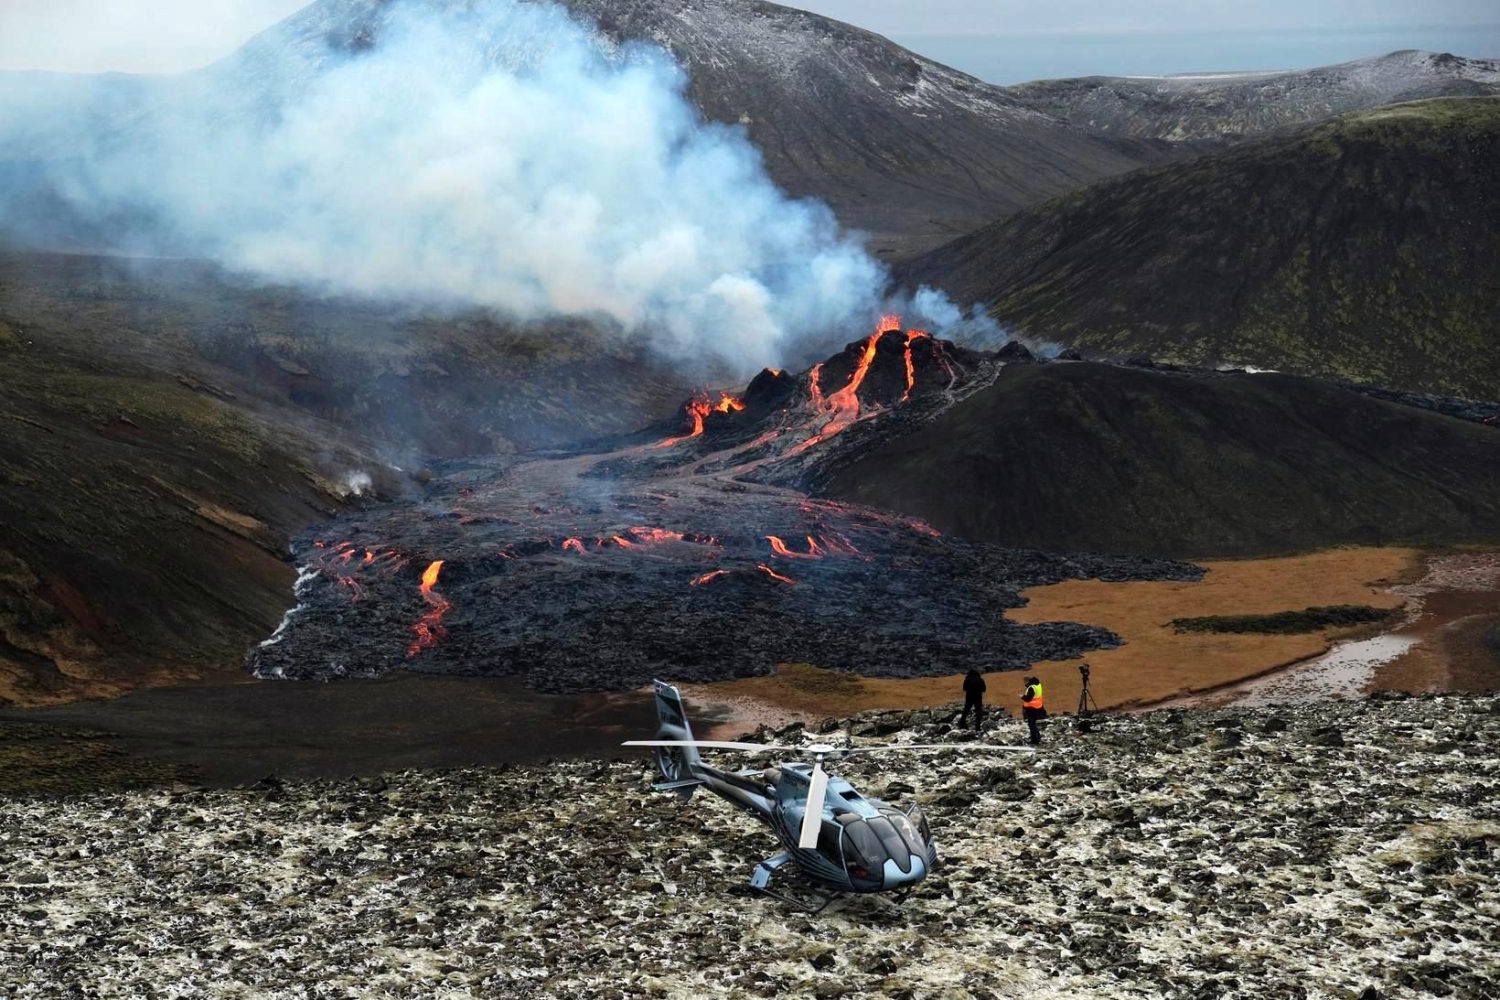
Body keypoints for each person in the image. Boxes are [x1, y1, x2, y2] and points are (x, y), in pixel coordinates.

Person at [1022, 675, 1045, 745]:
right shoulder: (1037, 685)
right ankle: (1037, 736)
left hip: (1031, 709)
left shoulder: (1031, 688)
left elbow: (1028, 698)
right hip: (1038, 707)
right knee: (1033, 724)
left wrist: (1022, 697)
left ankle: (1035, 740)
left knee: (1032, 725)